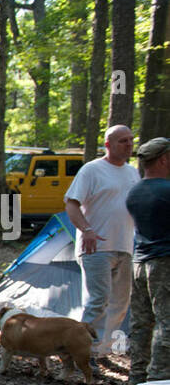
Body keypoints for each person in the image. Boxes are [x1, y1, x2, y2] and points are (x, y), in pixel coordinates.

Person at [64, 125, 140, 363]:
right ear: (108, 144)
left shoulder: (133, 173)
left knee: (120, 301)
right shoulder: (92, 170)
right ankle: (84, 352)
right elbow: (72, 204)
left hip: (125, 245)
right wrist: (86, 230)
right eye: (122, 141)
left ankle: (102, 350)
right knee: (98, 299)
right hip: (95, 247)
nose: (129, 145)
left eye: (130, 140)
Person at [124, 136, 170, 385]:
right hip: (163, 263)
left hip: (139, 262)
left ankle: (137, 376)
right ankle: (159, 379)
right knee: (166, 322)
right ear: (164, 158)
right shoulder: (166, 191)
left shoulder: (135, 191)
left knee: (141, 322)